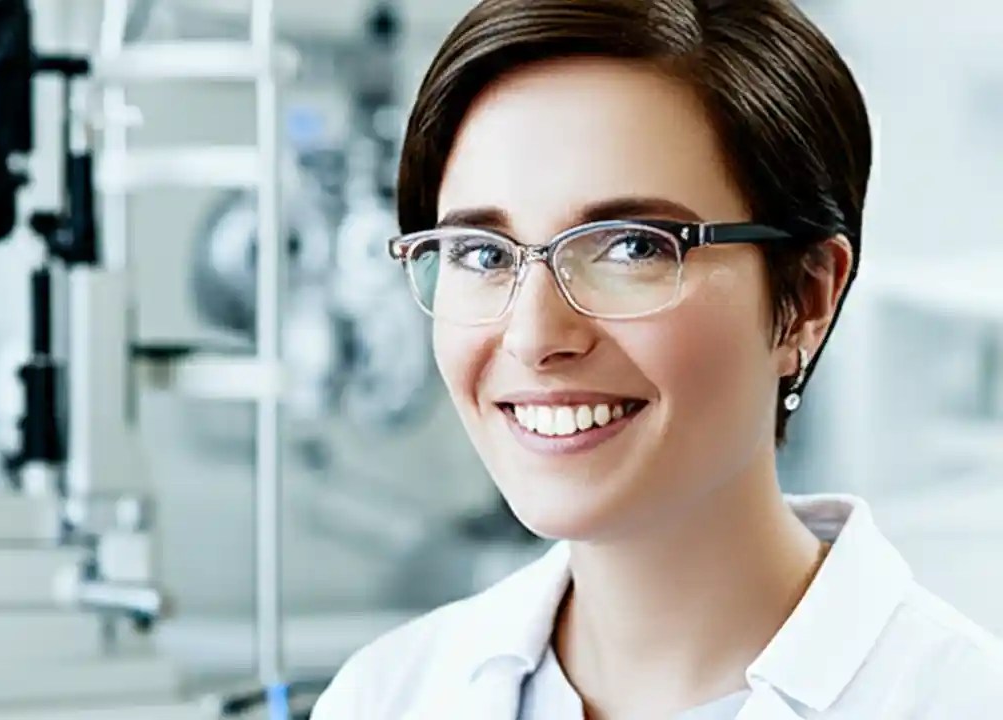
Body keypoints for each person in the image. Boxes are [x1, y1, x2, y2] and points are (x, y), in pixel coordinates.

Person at [311, 0, 1003, 718]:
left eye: (630, 246)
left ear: (805, 297)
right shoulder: (386, 696)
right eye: (482, 254)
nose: (532, 336)